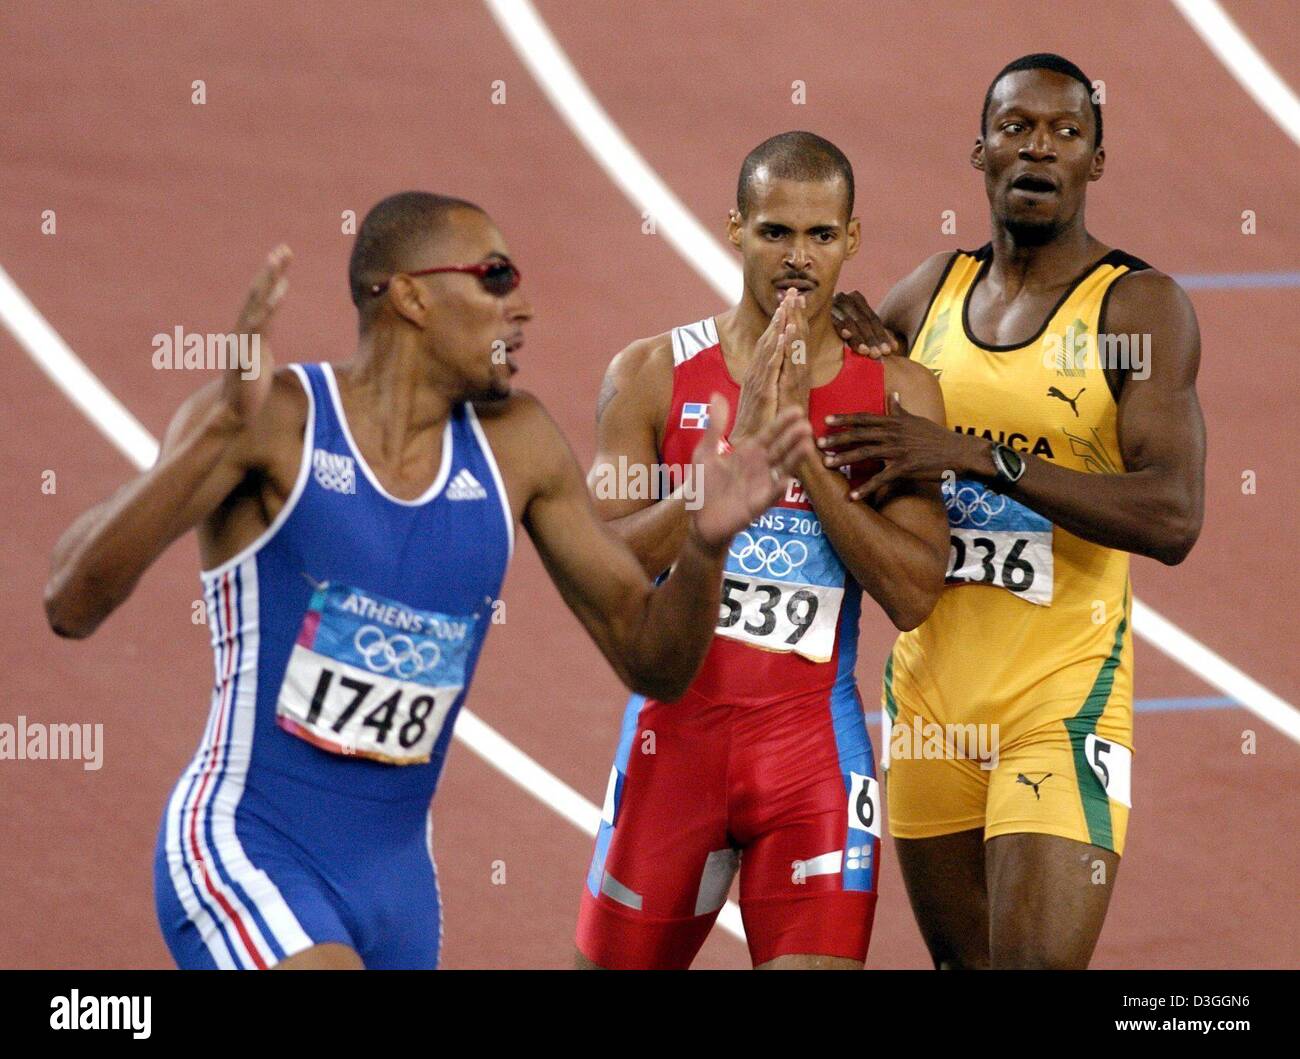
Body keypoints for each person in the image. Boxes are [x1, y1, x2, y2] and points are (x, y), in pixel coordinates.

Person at [43, 191, 814, 970]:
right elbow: (71, 601)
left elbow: (655, 663)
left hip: (399, 889)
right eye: (496, 276)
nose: (525, 308)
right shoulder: (276, 421)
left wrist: (706, 543)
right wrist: (214, 431)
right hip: (246, 849)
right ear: (409, 294)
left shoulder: (519, 449)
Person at [828, 54, 1206, 968]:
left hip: (1060, 699)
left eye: (1066, 132)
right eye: (1017, 128)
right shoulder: (926, 296)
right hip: (929, 702)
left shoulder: (1137, 307)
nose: (1039, 148)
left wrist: (980, 456)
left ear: (1095, 163)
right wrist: (837, 371)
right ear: (981, 151)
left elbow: (1174, 515)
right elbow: (855, 462)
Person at [575, 132, 949, 970]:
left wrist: (804, 459)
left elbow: (918, 593)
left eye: (821, 236)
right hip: (671, 748)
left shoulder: (897, 392)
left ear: (852, 241)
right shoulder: (647, 375)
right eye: (775, 232)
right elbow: (601, 565)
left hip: (812, 758)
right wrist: (728, 472)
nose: (798, 258)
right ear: (734, 227)